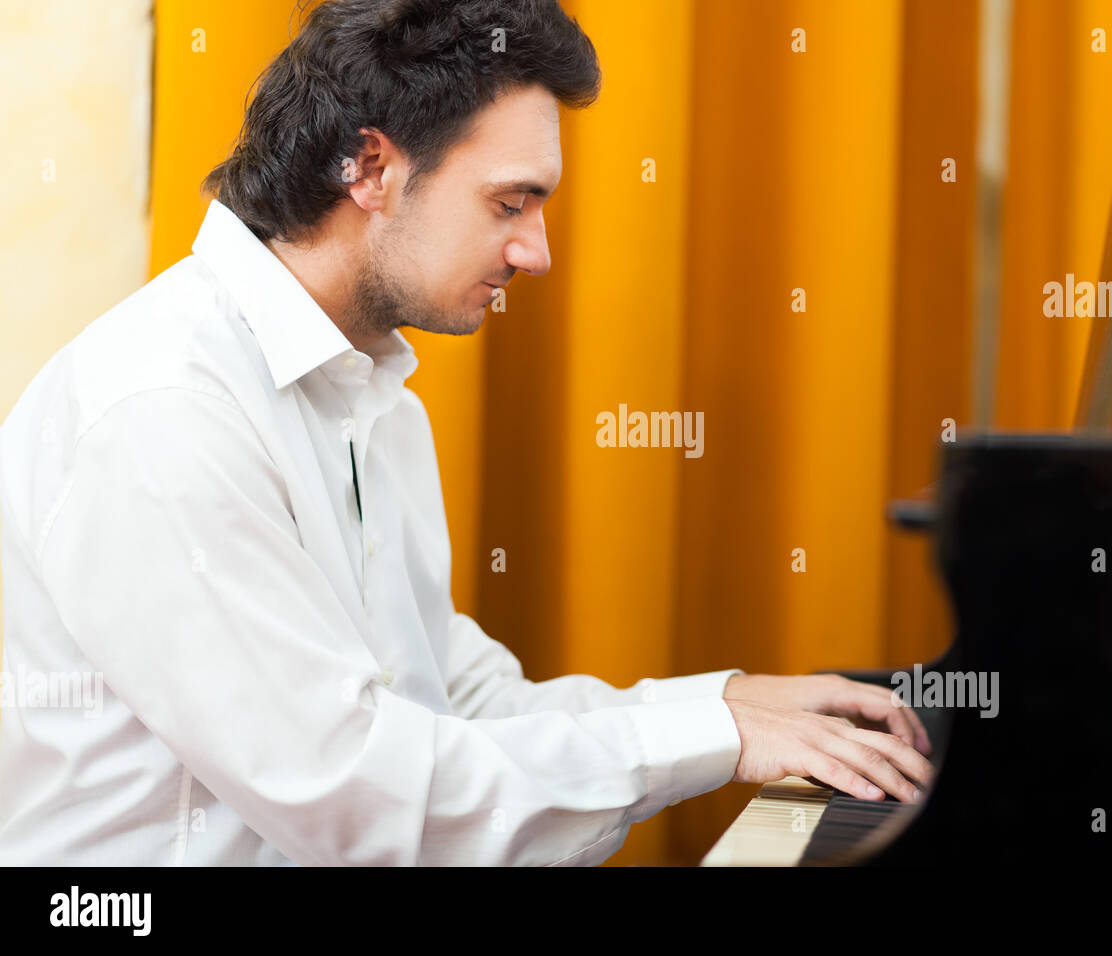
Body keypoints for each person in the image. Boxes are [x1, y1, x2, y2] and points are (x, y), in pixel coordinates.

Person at [0, 0, 931, 866]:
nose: (537, 250)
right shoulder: (164, 411)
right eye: (510, 202)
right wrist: (710, 742)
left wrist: (718, 705)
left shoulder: (372, 393)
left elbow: (451, 705)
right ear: (367, 169)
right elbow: (360, 796)